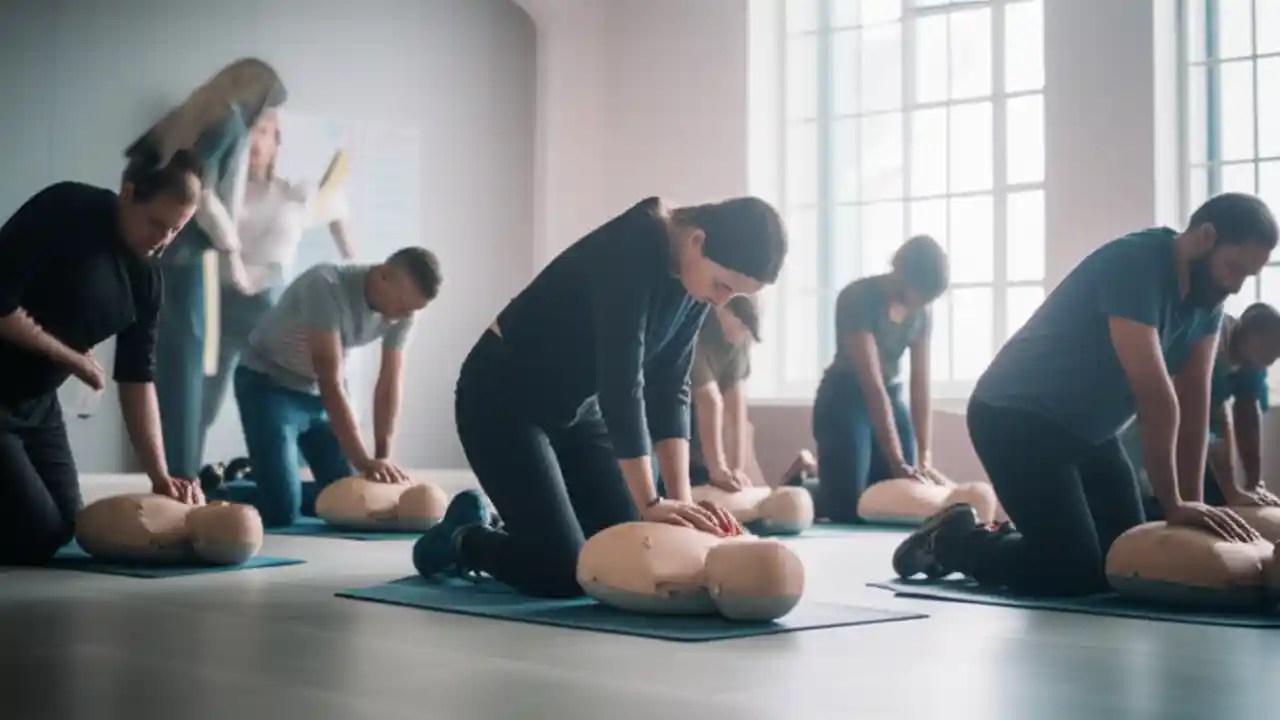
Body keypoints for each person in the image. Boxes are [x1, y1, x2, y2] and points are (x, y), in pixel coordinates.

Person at [893, 194, 1275, 596]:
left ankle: (1013, 537)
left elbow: (1197, 401)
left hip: (1090, 433)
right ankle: (954, 540)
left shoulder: (1207, 302)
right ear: (1205, 237)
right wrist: (1174, 503)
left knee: (1126, 561)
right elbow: (1157, 397)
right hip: (1015, 417)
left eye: (1246, 276)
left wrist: (1193, 506)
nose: (1235, 286)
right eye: (1234, 268)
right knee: (1071, 571)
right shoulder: (1138, 263)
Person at [413, 196, 788, 598]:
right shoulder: (632, 245)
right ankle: (463, 538)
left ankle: (522, 525)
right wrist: (650, 500)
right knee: (562, 569)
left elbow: (671, 387)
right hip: (502, 399)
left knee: (619, 550)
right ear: (698, 241)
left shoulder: (694, 283)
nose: (721, 301)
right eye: (723, 286)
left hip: (578, 412)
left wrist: (681, 505)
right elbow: (622, 382)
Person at [0, 152, 208, 565]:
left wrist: (159, 476)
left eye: (175, 230)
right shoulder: (66, 209)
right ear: (128, 193)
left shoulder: (146, 276)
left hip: (37, 405)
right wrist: (72, 359)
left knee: (63, 528)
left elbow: (137, 378)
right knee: (33, 535)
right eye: (156, 224)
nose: (163, 240)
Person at [124, 58, 288, 482]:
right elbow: (200, 190)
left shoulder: (186, 116)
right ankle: (181, 480)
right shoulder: (229, 121)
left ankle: (167, 476)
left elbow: (137, 170)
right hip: (186, 257)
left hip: (154, 252)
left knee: (159, 367)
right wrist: (229, 242)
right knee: (184, 373)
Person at [216, 247, 440, 527]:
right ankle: (220, 487)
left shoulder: (405, 311)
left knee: (353, 502)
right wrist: (363, 461)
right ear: (383, 276)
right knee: (282, 511)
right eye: (402, 304)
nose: (403, 315)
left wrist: (382, 455)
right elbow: (330, 379)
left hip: (318, 397)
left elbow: (389, 381)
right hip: (268, 386)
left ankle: (266, 478)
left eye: (412, 310)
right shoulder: (325, 284)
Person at [198, 108, 356, 478]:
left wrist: (354, 263)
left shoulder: (292, 192)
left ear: (276, 141)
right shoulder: (225, 192)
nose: (256, 140)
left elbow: (336, 206)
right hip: (224, 298)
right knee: (206, 393)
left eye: (265, 132)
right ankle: (191, 473)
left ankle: (305, 468)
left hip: (272, 300)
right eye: (251, 131)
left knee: (305, 382)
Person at [811, 235, 949, 522]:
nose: (920, 302)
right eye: (919, 293)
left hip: (891, 396)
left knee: (903, 492)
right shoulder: (858, 297)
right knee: (848, 506)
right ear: (902, 273)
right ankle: (802, 483)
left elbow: (920, 385)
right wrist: (896, 459)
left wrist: (923, 455)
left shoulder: (921, 312)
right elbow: (871, 384)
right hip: (845, 397)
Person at [1127, 301, 1280, 518]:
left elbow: (1247, 420)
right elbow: (1211, 420)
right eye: (1272, 348)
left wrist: (1253, 484)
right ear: (1253, 335)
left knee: (1217, 502)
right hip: (1153, 429)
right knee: (1156, 507)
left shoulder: (1252, 363)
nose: (1273, 359)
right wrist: (1230, 491)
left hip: (1196, 433)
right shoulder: (1213, 346)